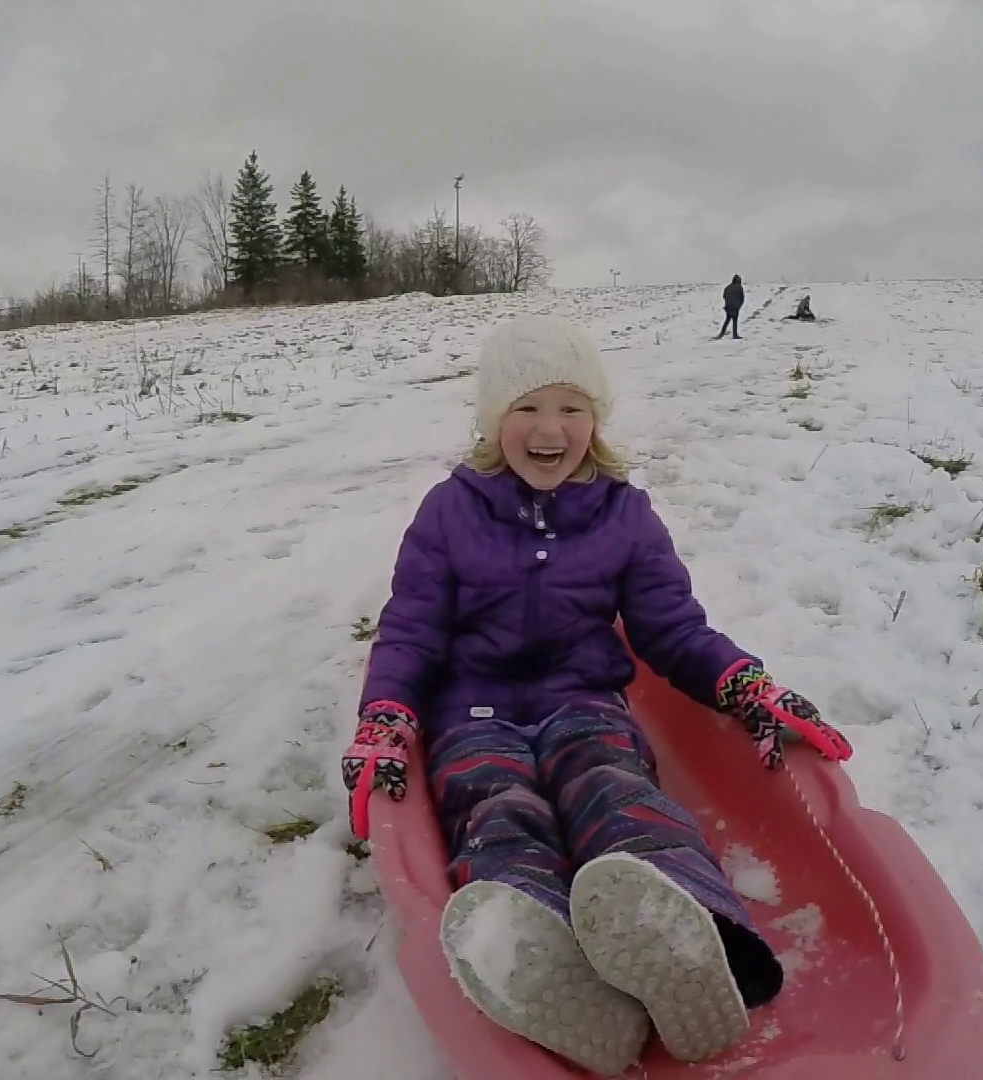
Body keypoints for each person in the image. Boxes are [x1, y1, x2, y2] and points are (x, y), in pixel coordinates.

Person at [340, 315, 851, 1076]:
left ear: (596, 420)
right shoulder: (449, 511)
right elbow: (412, 629)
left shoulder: (624, 514)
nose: (550, 430)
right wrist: (386, 717)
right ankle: (537, 953)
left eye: (571, 408)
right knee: (497, 805)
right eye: (527, 408)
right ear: (494, 420)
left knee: (615, 788)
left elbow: (673, 627)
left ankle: (696, 938)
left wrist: (745, 683)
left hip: (584, 701)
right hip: (473, 710)